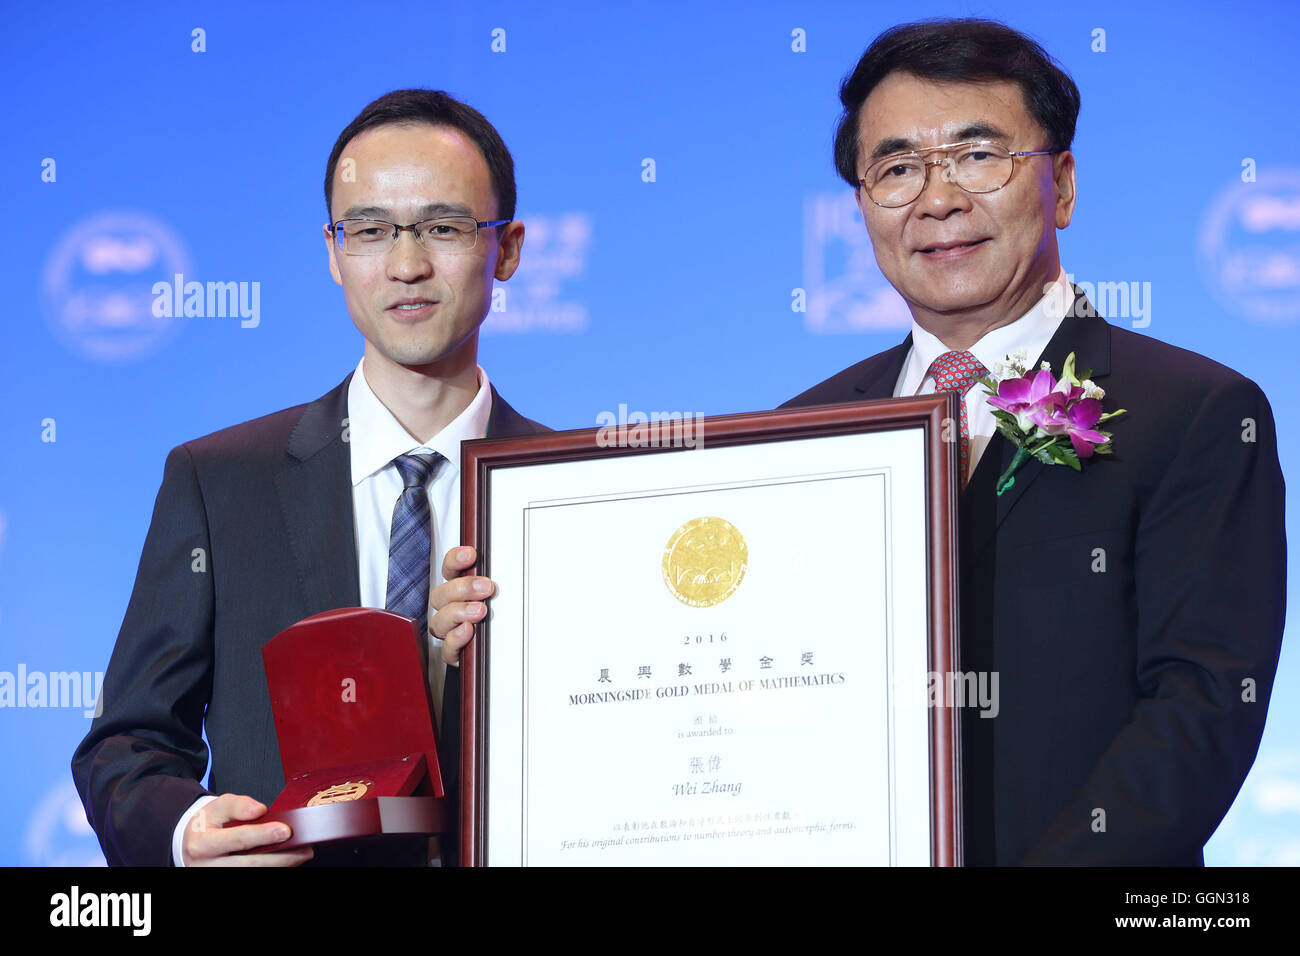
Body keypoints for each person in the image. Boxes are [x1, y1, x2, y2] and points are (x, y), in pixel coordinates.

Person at [781, 19, 1286, 865]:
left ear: (1064, 183)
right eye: (899, 169)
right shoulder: (804, 430)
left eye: (979, 157)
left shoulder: (1194, 412)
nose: (938, 200)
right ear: (862, 207)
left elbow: (1201, 711)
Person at [72, 89, 546, 866]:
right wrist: (192, 833)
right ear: (332, 251)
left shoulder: (566, 494)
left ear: (508, 248)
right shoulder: (220, 483)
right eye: (369, 231)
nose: (406, 264)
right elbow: (124, 746)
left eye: (443, 226)